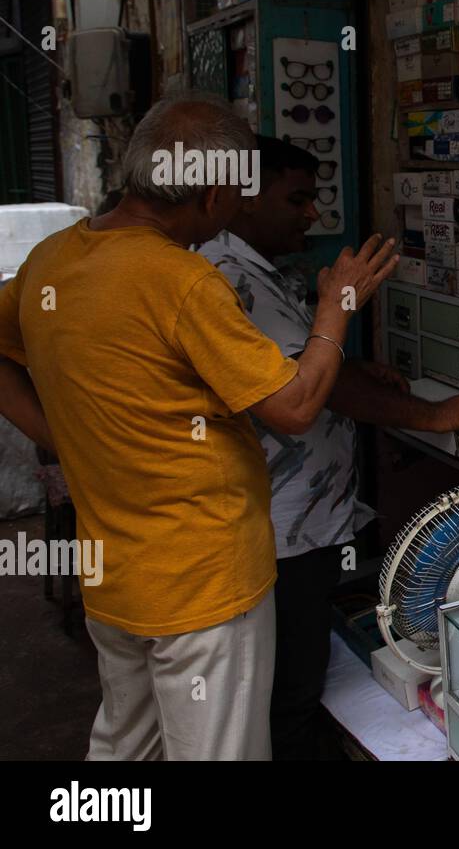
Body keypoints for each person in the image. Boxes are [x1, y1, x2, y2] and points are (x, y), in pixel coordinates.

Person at [0, 94, 397, 760]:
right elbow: (296, 406)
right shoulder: (182, 282)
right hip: (205, 586)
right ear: (213, 195)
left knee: (128, 746)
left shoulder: (52, 262)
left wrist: (62, 434)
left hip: (117, 577)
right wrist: (337, 305)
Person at [199, 135, 459, 759]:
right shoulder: (227, 276)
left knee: (300, 665)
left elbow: (314, 356)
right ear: (246, 197)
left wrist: (358, 367)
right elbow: (308, 393)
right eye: (298, 198)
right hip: (279, 530)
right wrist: (429, 414)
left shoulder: (261, 268)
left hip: (305, 523)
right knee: (290, 686)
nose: (312, 214)